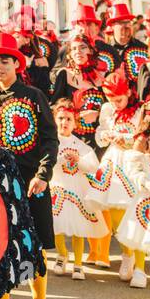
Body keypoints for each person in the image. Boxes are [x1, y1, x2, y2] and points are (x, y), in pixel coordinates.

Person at [0, 31, 58, 299]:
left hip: (31, 179)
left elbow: (50, 138)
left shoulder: (34, 96)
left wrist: (43, 175)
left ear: (16, 64)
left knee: (35, 243)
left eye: (5, 60)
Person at [92, 69, 143, 277]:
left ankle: (140, 266)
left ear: (129, 94)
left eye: (119, 99)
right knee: (114, 213)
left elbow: (144, 135)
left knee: (137, 211)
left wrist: (128, 139)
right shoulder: (106, 109)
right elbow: (99, 136)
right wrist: (106, 135)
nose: (115, 104)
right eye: (111, 99)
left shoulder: (140, 110)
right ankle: (127, 254)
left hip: (133, 161)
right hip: (113, 161)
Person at [49, 99, 105, 280]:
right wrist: (61, 159)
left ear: (75, 123)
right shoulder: (50, 142)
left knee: (78, 228)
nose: (64, 122)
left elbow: (93, 167)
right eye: (61, 118)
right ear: (54, 119)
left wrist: (78, 160)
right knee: (56, 225)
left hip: (77, 191)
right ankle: (62, 255)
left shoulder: (81, 145)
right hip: (57, 188)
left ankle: (78, 264)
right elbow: (45, 163)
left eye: (68, 119)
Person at [115, 89, 150, 299]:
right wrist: (145, 181)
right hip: (145, 197)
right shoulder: (141, 140)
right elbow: (132, 166)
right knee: (141, 237)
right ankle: (140, 269)